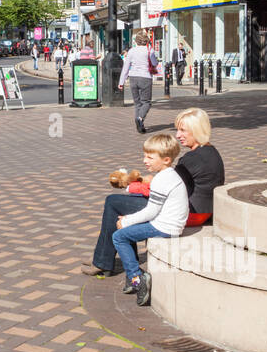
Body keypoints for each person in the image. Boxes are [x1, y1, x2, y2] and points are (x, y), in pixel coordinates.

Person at [84, 108, 225, 276]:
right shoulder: (211, 151)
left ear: (197, 131)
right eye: (177, 130)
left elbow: (161, 191)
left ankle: (103, 261)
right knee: (128, 201)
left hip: (191, 214)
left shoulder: (192, 159)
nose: (178, 135)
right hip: (203, 211)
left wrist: (132, 183)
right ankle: (109, 257)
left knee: (113, 202)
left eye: (183, 130)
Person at [110, 132, 190, 305]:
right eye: (145, 155)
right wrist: (129, 220)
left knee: (118, 237)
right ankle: (132, 278)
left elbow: (151, 211)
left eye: (150, 157)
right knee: (126, 231)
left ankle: (137, 278)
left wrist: (126, 221)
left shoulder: (162, 180)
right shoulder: (168, 175)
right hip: (167, 222)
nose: (145, 160)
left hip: (165, 226)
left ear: (166, 160)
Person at [118, 31, 159, 133]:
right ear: (146, 40)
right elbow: (154, 63)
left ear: (136, 40)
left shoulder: (131, 51)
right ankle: (140, 118)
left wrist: (121, 82)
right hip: (145, 77)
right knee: (146, 102)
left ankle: (140, 126)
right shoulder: (150, 50)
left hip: (133, 77)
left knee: (137, 103)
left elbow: (126, 67)